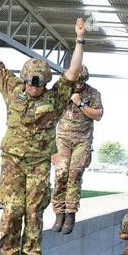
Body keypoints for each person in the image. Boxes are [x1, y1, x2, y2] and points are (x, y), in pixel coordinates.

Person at [0, 12, 86, 255]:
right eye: (30, 82)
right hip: (13, 161)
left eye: (39, 84)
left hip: (39, 164)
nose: (34, 87)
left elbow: (72, 73)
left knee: (33, 213)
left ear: (45, 83)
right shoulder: (12, 90)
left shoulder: (55, 97)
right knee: (12, 212)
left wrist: (79, 39)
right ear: (24, 78)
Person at [50, 64, 103, 234]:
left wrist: (79, 103)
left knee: (74, 174)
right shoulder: (62, 90)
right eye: (77, 81)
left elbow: (98, 115)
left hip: (82, 140)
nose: (79, 85)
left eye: (82, 82)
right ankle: (59, 212)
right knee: (61, 174)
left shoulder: (93, 93)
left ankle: (70, 213)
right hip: (63, 138)